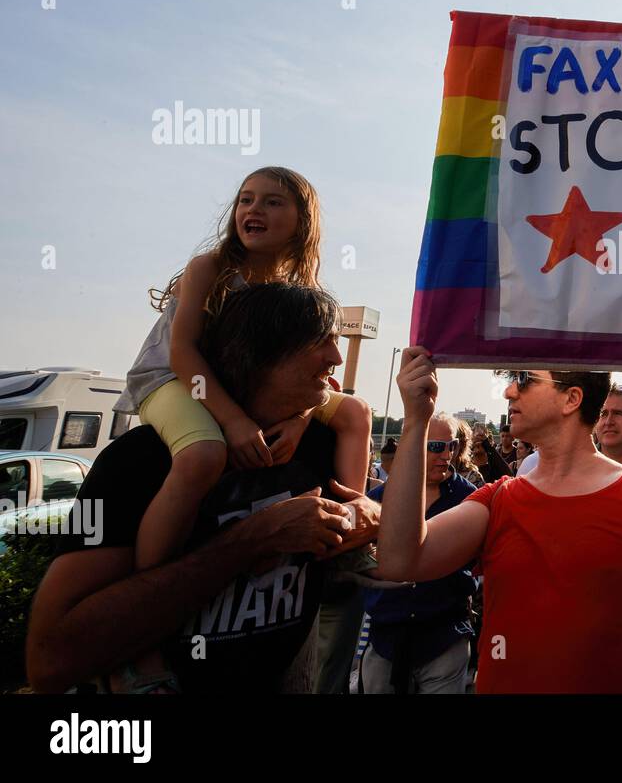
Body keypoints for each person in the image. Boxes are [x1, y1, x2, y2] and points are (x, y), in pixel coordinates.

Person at [26, 283, 379, 693]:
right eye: (321, 341)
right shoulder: (139, 461)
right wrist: (253, 539)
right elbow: (49, 663)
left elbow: (381, 544)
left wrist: (371, 513)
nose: (337, 357)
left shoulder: (319, 445)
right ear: (262, 350)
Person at [378, 358, 622, 693]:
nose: (510, 391)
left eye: (525, 379)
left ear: (572, 399)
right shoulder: (497, 499)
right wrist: (415, 423)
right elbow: (400, 559)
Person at [116, 168, 370, 578]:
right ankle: (153, 582)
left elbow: (317, 378)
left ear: (303, 222)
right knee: (203, 455)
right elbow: (183, 354)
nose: (254, 209)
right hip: (172, 379)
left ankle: (348, 535)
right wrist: (233, 421)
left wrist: (300, 419)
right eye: (246, 199)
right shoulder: (209, 268)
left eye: (272, 201)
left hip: (241, 385)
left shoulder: (299, 285)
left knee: (355, 412)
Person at [362, 413, 476, 694]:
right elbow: (357, 563)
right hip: (386, 641)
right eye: (437, 446)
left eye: (452, 445)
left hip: (444, 639)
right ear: (411, 445)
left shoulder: (471, 500)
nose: (447, 455)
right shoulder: (378, 500)